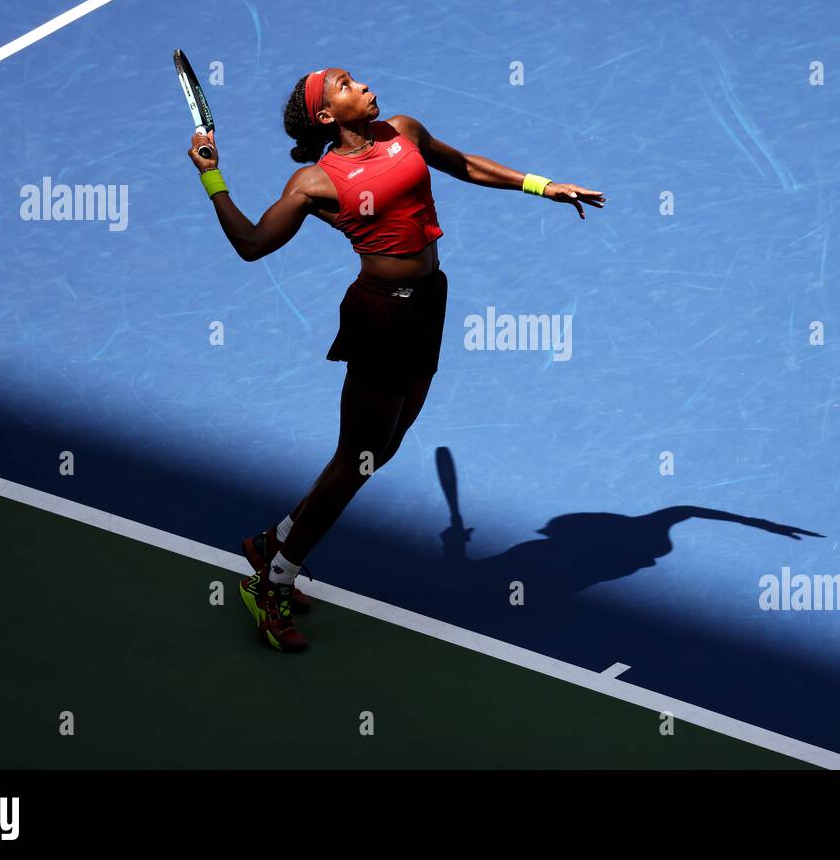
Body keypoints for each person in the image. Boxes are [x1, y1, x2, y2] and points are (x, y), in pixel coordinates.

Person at [186, 67, 605, 652]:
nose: (361, 86)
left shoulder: (403, 131)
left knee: (381, 450)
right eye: (344, 85)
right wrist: (211, 175)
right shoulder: (314, 181)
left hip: (429, 302)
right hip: (379, 316)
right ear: (327, 116)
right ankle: (271, 581)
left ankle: (274, 538)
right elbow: (253, 244)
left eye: (354, 78)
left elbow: (462, 163)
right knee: (356, 457)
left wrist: (542, 185)